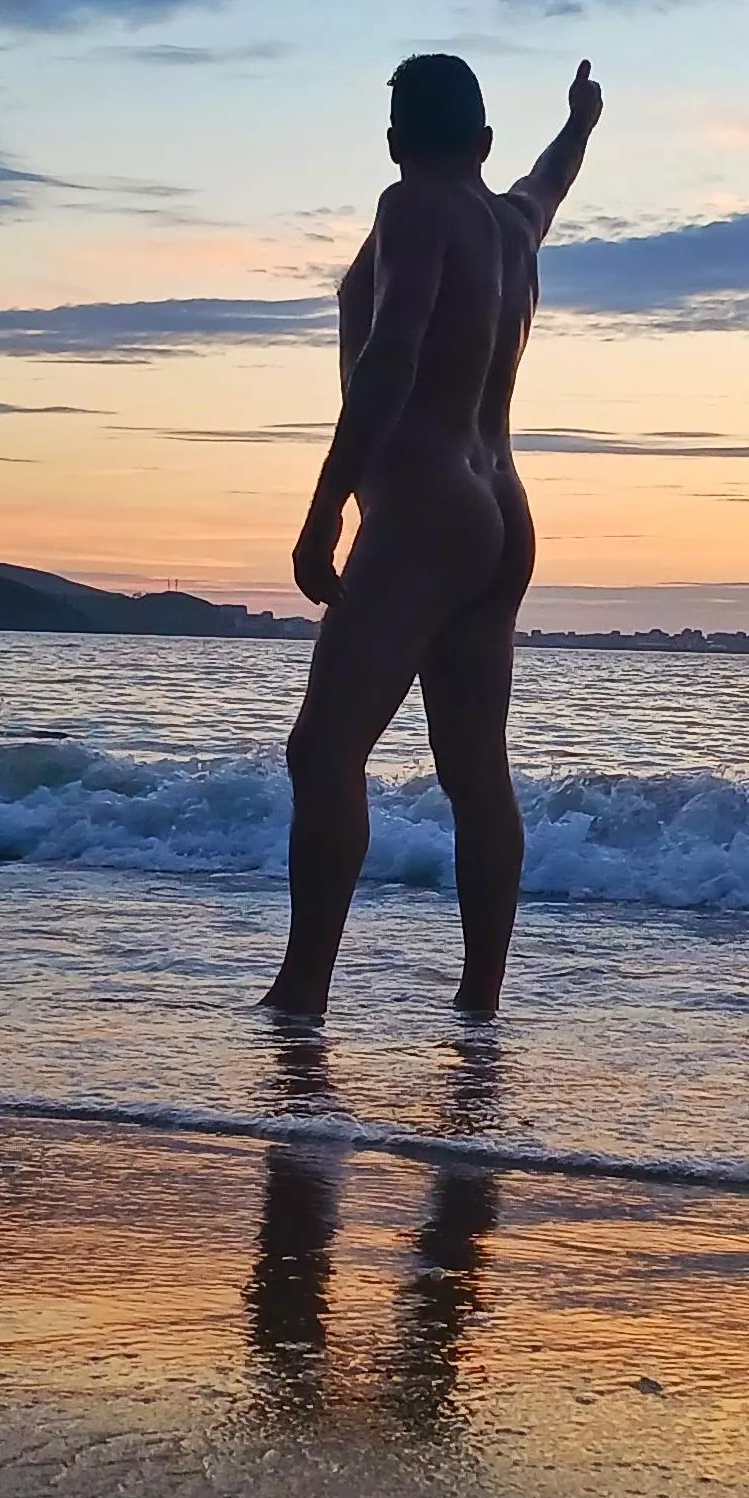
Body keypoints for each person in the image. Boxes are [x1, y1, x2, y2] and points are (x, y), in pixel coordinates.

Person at [262, 53, 601, 1018]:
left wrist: (327, 504)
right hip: (502, 509)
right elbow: (553, 180)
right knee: (473, 769)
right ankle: (480, 1006)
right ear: (484, 143)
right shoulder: (512, 221)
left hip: (421, 508)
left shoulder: (412, 206)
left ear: (396, 143)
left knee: (323, 754)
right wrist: (580, 121)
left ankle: (302, 994)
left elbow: (392, 354)